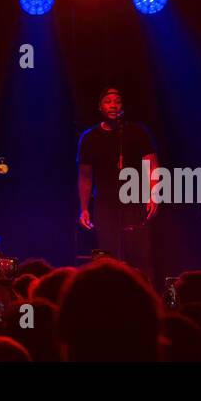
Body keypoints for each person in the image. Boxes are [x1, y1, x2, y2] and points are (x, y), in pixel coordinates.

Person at [76, 87, 158, 273]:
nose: (113, 105)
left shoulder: (137, 132)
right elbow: (85, 177)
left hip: (134, 201)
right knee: (109, 256)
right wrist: (84, 208)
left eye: (117, 101)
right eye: (108, 101)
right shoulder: (89, 138)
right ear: (100, 107)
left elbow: (151, 166)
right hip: (105, 205)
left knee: (140, 256)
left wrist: (154, 195)